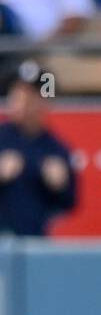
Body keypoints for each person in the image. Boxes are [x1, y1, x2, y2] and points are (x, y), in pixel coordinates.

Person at [0, 62, 77, 235]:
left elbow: (70, 202)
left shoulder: (55, 148)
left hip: (35, 239)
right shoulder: (2, 138)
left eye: (31, 96)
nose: (24, 103)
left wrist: (60, 186)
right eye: (18, 95)